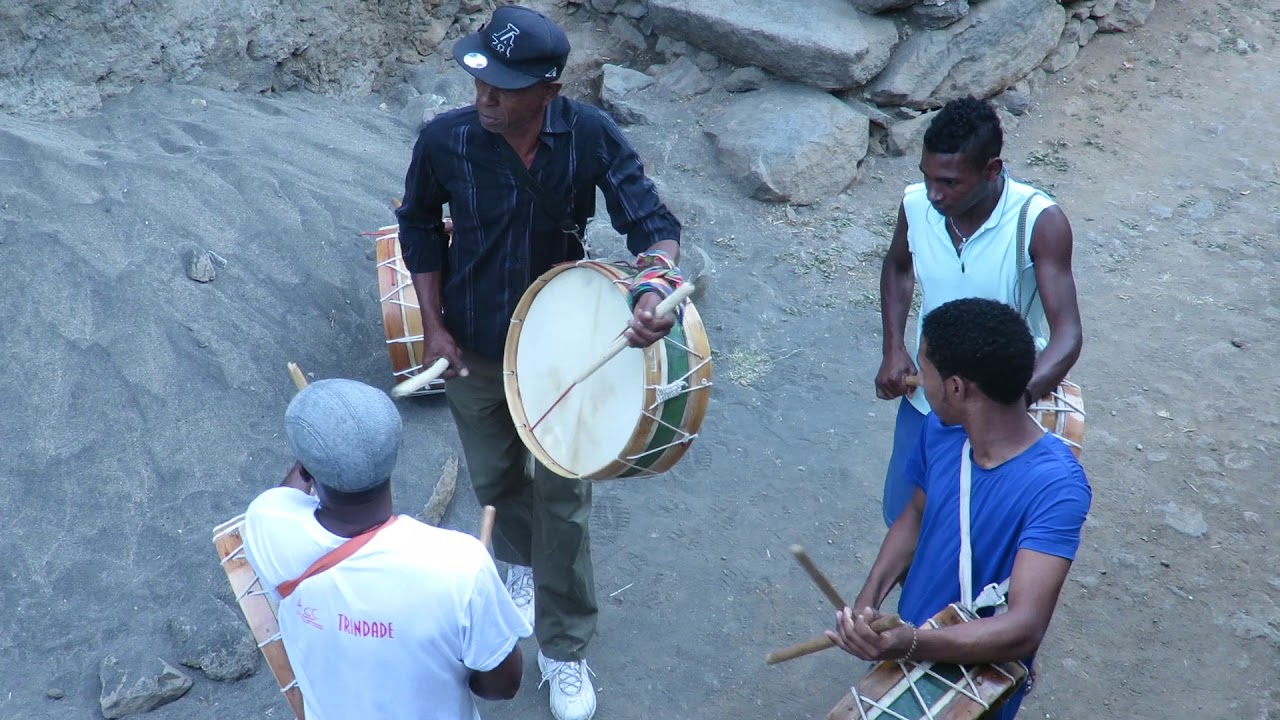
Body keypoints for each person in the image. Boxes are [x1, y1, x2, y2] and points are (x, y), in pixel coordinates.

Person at [394, 6, 684, 720]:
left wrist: (651, 290)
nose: (484, 97)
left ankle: (565, 650)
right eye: (478, 81)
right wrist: (433, 327)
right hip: (471, 343)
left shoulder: (588, 135)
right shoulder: (445, 139)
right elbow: (419, 224)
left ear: (548, 90)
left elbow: (654, 227)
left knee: (564, 506)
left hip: (566, 355)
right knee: (495, 479)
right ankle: (517, 567)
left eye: (503, 87)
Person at [828, 298, 1092, 720]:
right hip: (914, 638)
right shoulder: (941, 429)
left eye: (923, 369)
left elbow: (1023, 627)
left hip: (980, 680)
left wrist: (910, 643)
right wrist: (868, 600)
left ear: (955, 387)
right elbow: (915, 516)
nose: (916, 378)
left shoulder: (1057, 486)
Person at [241, 379, 531, 720]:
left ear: (305, 469)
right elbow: (503, 685)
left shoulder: (265, 524)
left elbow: (286, 498)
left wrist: (320, 442)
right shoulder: (459, 566)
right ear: (394, 455)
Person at [875, 95, 1083, 527]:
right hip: (926, 402)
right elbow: (898, 266)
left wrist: (1012, 402)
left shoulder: (1038, 221)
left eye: (950, 183)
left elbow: (1067, 335)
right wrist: (894, 348)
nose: (935, 193)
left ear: (992, 170)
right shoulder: (916, 206)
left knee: (976, 539)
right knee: (905, 523)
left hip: (999, 419)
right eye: (927, 177)